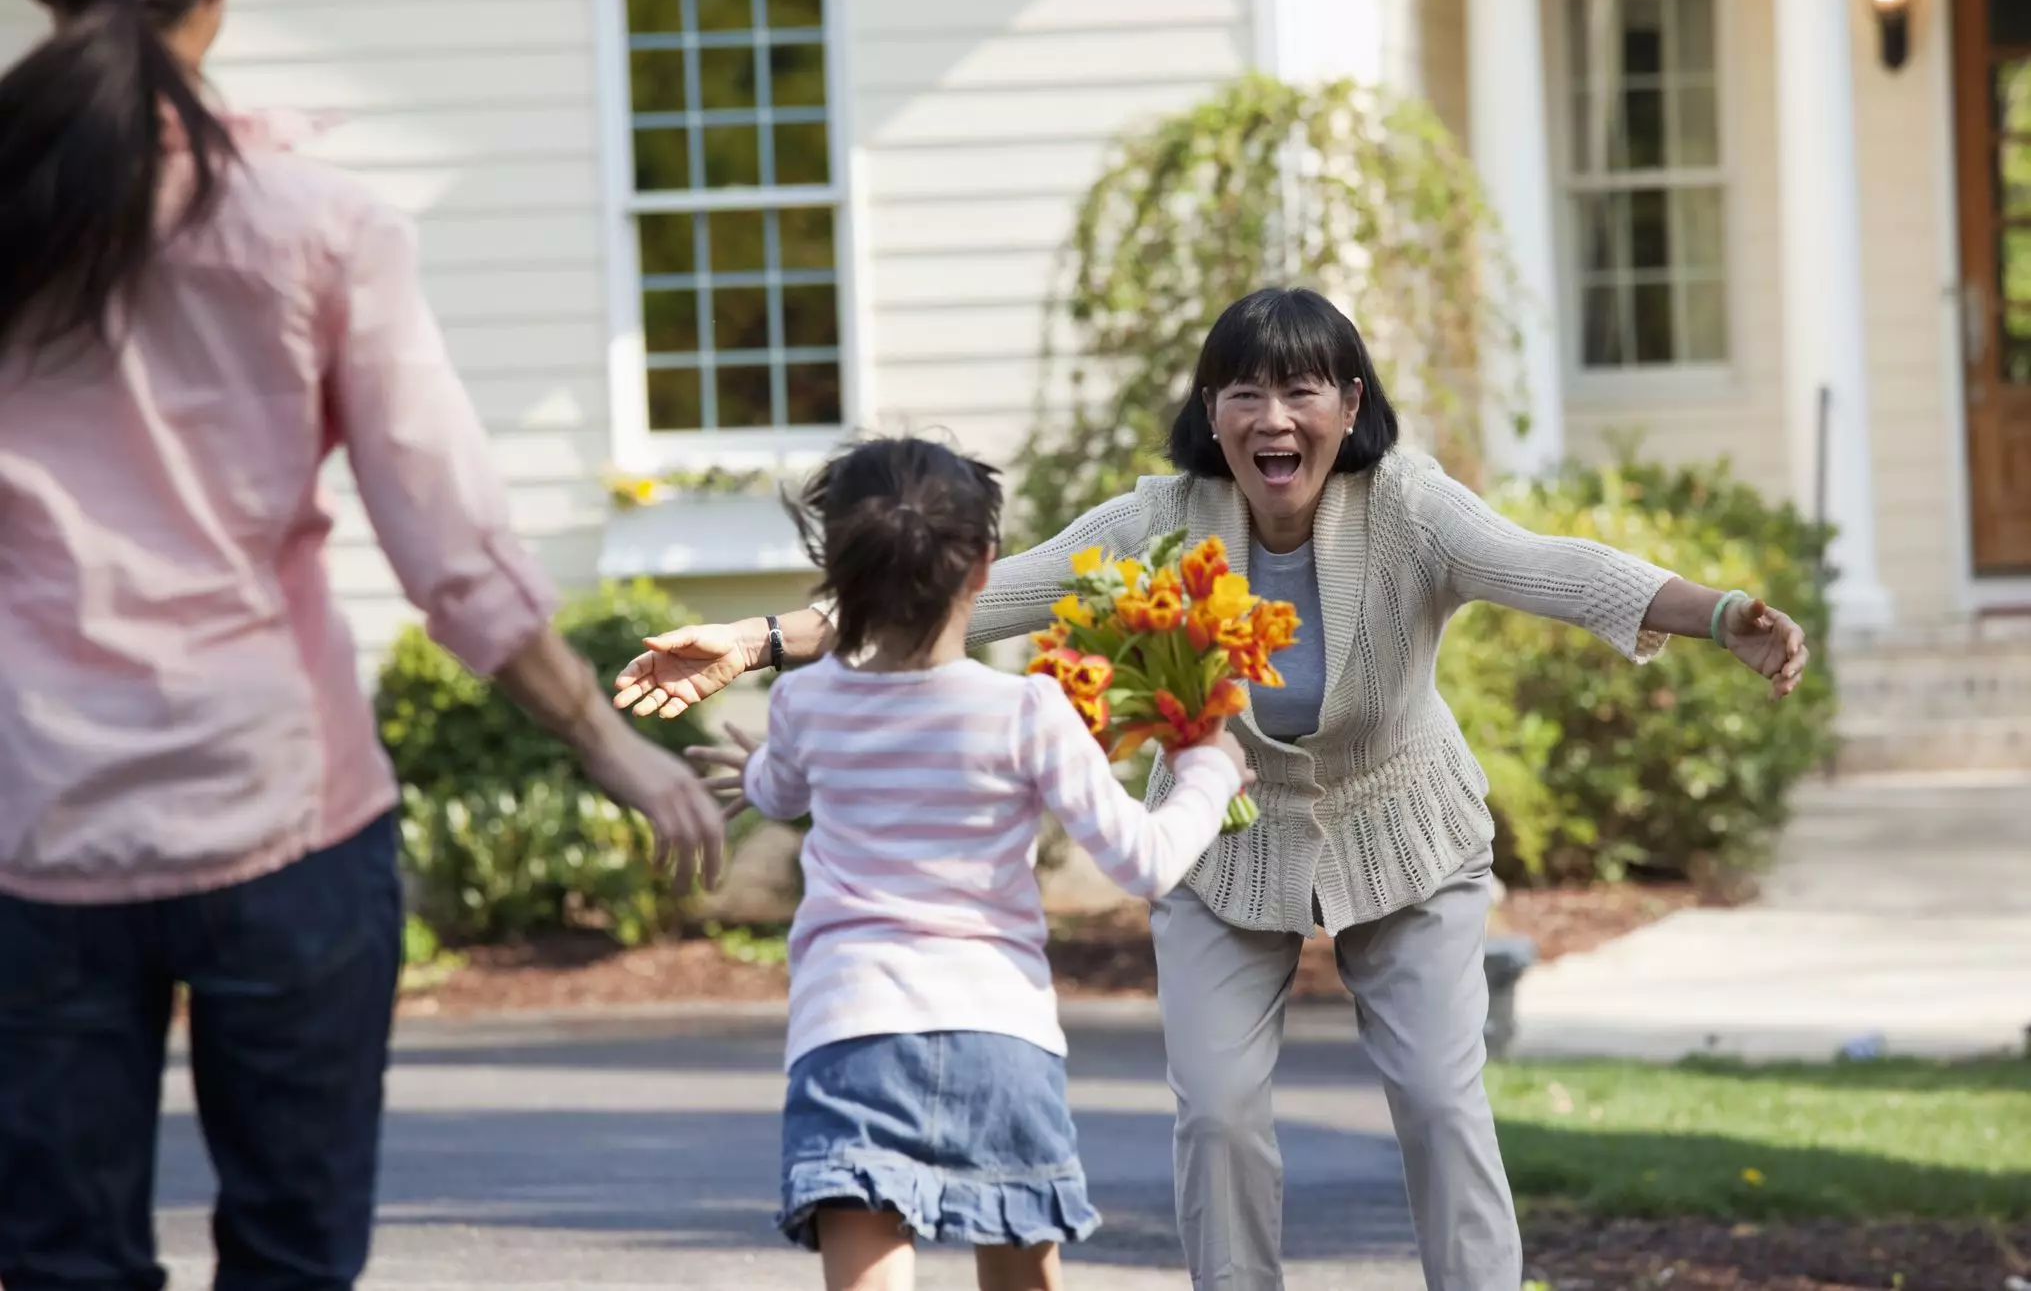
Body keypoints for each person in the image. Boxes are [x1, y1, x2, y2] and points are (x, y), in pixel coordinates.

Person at [618, 288, 1810, 1291]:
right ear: (1211, 412)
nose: (1274, 416)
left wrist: (1717, 614)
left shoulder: (1409, 507)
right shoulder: (1160, 519)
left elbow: (1551, 566)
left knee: (1444, 1105)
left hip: (1405, 831)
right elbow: (984, 585)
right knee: (1221, 1117)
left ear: (1352, 406)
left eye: (1305, 390)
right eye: (1245, 391)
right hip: (1225, 848)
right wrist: (762, 639)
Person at [0, 0, 722, 1289]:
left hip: (27, 832)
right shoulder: (320, 226)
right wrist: (609, 743)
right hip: (285, 820)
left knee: (58, 1269)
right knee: (292, 1264)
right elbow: (446, 538)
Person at [684, 436, 1252, 1291]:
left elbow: (780, 784)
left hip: (851, 1030)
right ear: (982, 568)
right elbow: (1144, 862)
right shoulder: (1027, 709)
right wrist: (1208, 769)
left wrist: (754, 777)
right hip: (1000, 1033)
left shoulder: (802, 700)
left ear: (837, 574)